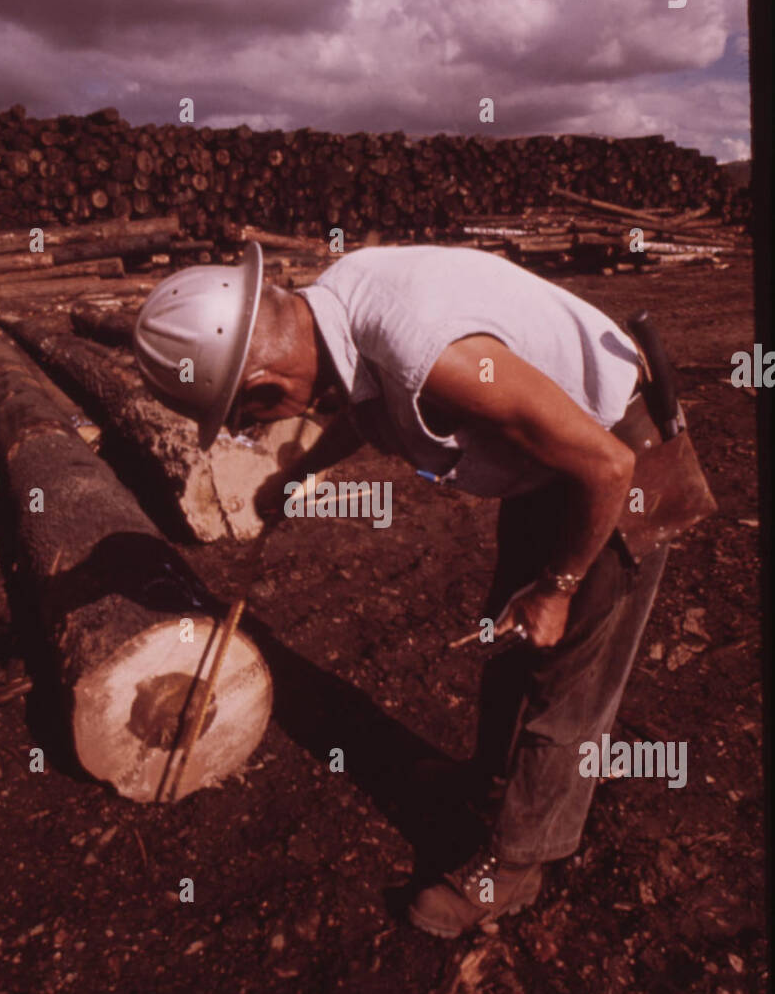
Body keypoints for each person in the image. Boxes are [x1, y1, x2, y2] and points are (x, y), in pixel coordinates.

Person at [134, 241, 679, 938]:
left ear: (266, 382)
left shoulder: (434, 356)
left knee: (569, 669)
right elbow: (362, 402)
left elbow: (606, 467)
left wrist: (559, 587)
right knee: (505, 633)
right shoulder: (335, 307)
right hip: (553, 452)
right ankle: (488, 782)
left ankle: (515, 865)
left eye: (249, 417)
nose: (259, 428)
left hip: (616, 457)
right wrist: (301, 471)